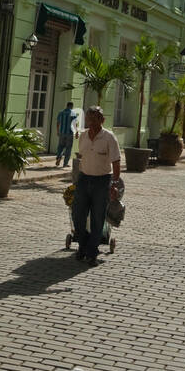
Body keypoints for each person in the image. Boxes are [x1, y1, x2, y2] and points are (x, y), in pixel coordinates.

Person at [71, 105, 121, 267]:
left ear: (102, 120)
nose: (92, 121)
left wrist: (114, 184)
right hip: (84, 179)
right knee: (77, 215)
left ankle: (92, 252)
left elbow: (116, 162)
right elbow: (82, 157)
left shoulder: (109, 137)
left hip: (102, 181)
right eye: (89, 118)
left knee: (97, 219)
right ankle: (83, 246)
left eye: (95, 118)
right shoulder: (83, 136)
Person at [55, 103, 77, 168]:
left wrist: (58, 131)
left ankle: (59, 157)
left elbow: (58, 123)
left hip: (62, 133)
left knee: (60, 147)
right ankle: (65, 163)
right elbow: (75, 124)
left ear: (66, 105)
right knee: (68, 148)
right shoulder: (73, 113)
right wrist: (76, 132)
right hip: (69, 134)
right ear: (72, 106)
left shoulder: (61, 113)